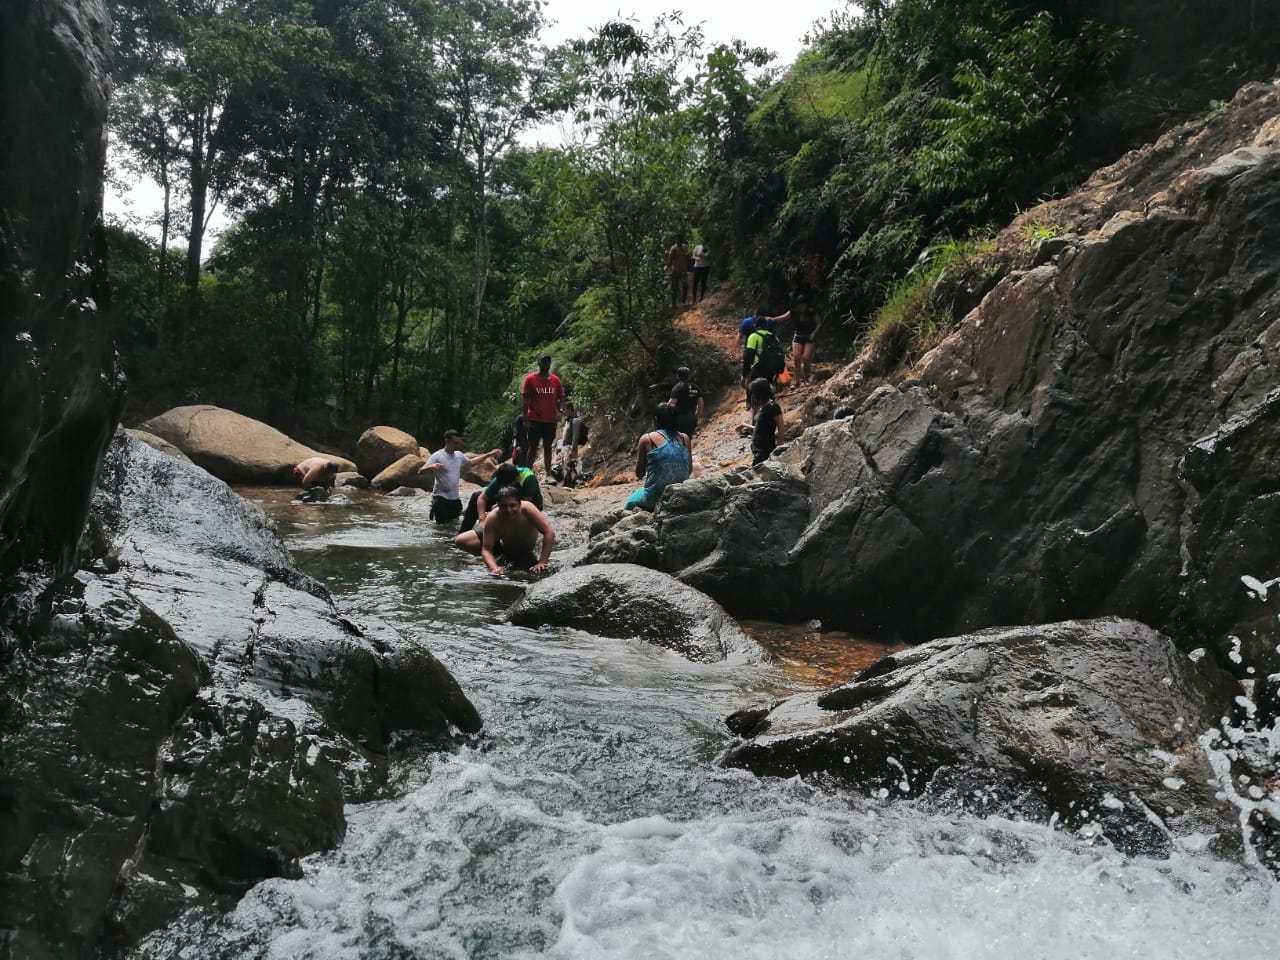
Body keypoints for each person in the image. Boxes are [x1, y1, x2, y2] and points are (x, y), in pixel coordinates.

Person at [455, 462, 544, 555]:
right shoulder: (501, 477)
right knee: (476, 495)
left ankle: (500, 541)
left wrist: (498, 509)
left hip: (530, 504)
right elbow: (482, 498)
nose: (504, 487)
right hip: (508, 500)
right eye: (502, 485)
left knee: (510, 510)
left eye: (507, 485)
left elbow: (525, 503)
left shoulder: (528, 478)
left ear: (515, 479)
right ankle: (464, 531)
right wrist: (482, 519)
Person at [417, 429, 502, 526]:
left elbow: (471, 463)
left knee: (455, 525)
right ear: (447, 441)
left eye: (458, 443)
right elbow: (420, 472)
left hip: (455, 498)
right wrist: (431, 466)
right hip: (440, 498)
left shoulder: (459, 455)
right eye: (455, 443)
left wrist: (488, 454)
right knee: (441, 527)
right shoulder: (437, 456)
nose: (457, 445)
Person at [625, 402, 691, 512]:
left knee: (632, 500)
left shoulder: (647, 439)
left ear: (655, 420)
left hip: (655, 499)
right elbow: (689, 470)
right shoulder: (685, 438)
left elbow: (639, 474)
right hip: (680, 495)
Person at [479, 485, 556, 575]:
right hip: (506, 552)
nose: (509, 510)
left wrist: (542, 562)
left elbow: (549, 532)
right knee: (466, 541)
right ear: (498, 506)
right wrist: (494, 567)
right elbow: (486, 549)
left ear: (520, 504)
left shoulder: (528, 509)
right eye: (504, 506)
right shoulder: (492, 518)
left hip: (532, 550)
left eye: (512, 505)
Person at [522, 354, 565, 478]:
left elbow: (561, 397)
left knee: (548, 447)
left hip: (550, 419)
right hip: (534, 419)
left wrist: (560, 411)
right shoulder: (530, 379)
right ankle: (527, 473)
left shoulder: (555, 380)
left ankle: (548, 474)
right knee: (533, 447)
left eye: (548, 361)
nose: (546, 363)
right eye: (543, 361)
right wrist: (525, 420)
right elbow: (525, 401)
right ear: (539, 363)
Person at [773, 295, 822, 383]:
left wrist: (813, 333)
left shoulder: (811, 312)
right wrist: (771, 319)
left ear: (805, 304)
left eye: (802, 305)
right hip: (798, 336)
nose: (801, 307)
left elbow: (819, 323)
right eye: (799, 305)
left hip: (808, 337)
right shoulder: (794, 312)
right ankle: (796, 380)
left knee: (806, 358)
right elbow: (782, 318)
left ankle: (806, 378)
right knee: (796, 358)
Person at [740, 378, 786, 465]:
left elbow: (781, 429)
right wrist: (745, 425)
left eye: (754, 394)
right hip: (757, 451)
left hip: (765, 452)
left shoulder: (773, 407)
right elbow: (760, 429)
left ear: (760, 394)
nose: (752, 396)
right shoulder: (761, 408)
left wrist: (778, 450)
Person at [745, 317, 787, 392]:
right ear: (766, 326)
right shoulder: (773, 337)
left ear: (755, 326)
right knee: (768, 385)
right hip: (773, 368)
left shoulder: (753, 336)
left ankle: (751, 399)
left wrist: (745, 373)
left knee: (749, 385)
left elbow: (748, 355)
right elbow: (780, 352)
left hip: (759, 367)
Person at [668, 366, 703, 442]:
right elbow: (700, 403)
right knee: (688, 439)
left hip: (680, 419)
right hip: (691, 417)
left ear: (677, 376)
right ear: (688, 375)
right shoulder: (695, 387)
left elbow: (670, 404)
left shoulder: (677, 388)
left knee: (678, 440)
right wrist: (696, 415)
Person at [559, 400, 588, 487]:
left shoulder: (575, 421)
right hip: (565, 447)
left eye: (565, 409)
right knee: (566, 466)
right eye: (563, 410)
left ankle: (571, 484)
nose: (563, 412)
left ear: (570, 409)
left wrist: (573, 448)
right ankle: (567, 483)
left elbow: (575, 436)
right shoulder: (567, 421)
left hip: (570, 447)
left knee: (571, 466)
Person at [667, 237, 691, 308]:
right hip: (675, 269)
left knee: (685, 285)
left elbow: (687, 257)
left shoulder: (685, 247)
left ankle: (683, 301)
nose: (679, 241)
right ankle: (673, 303)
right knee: (674, 287)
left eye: (680, 240)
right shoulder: (673, 248)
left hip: (683, 270)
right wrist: (669, 269)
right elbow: (670, 259)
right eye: (678, 240)